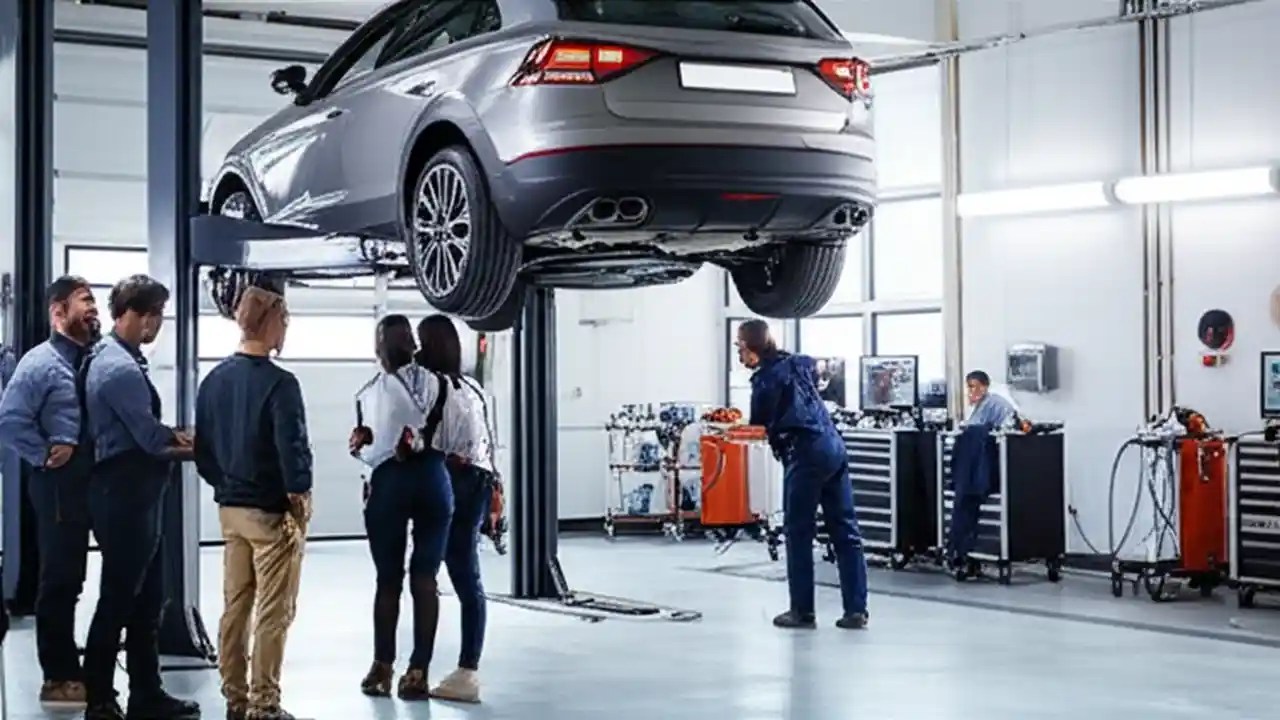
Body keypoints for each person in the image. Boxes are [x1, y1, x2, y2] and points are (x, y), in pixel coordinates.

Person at [81, 274, 199, 720]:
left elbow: (145, 430)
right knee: (119, 599)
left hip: (133, 494)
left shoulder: (116, 358)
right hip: (125, 496)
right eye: (157, 315)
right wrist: (203, 449)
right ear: (138, 315)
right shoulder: (120, 369)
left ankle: (146, 693)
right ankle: (99, 698)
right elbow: (149, 440)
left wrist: (175, 437)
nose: (159, 323)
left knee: (147, 601)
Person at [194, 286, 313, 720]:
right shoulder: (281, 384)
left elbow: (203, 450)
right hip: (270, 513)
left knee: (236, 604)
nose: (287, 329)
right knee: (274, 611)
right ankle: (265, 703)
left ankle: (235, 698)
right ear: (271, 323)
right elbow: (292, 448)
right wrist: (299, 494)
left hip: (230, 511)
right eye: (285, 320)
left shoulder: (213, 380)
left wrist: (226, 483)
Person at [0, 275, 100, 706]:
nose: (93, 308)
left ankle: (84, 666)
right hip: (58, 482)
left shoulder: (94, 358)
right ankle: (57, 676)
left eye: (94, 300)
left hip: (95, 480)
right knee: (60, 579)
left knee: (80, 578)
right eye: (84, 300)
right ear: (58, 311)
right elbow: (9, 420)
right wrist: (42, 453)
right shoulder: (39, 363)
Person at [737, 319, 869, 630]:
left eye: (739, 348)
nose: (739, 356)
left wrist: (728, 430)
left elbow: (758, 425)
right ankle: (856, 610)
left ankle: (802, 611)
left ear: (751, 349)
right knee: (845, 530)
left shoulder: (766, 379)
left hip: (804, 453)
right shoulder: (798, 362)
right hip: (834, 446)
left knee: (798, 532)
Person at [349, 315, 454, 700]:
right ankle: (410, 670)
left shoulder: (373, 392)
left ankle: (389, 667)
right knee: (417, 577)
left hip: (401, 480)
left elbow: (369, 444)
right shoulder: (437, 385)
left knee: (396, 578)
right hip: (421, 480)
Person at [415, 314, 496, 704]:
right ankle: (467, 667)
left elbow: (431, 443)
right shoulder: (473, 387)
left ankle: (461, 671)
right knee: (468, 577)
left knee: (435, 573)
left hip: (451, 480)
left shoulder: (433, 387)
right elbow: (488, 441)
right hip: (479, 480)